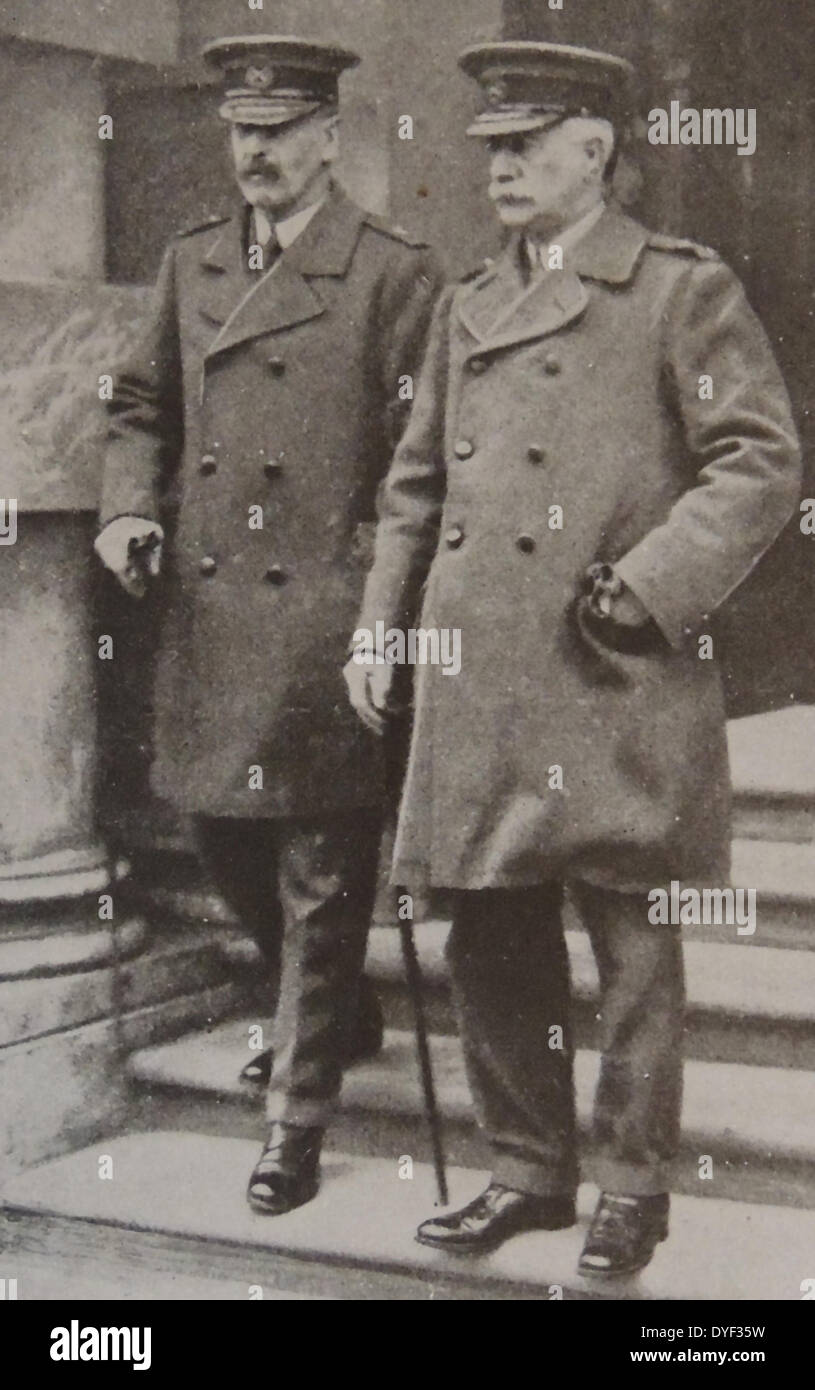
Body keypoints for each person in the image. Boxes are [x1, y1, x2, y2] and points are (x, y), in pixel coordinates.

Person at [346, 41, 801, 1277]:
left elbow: (757, 462)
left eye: (523, 144)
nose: (495, 165)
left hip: (611, 670)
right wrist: (382, 622)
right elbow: (414, 484)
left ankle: (632, 1187)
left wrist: (650, 587)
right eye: (489, 145)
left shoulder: (674, 290)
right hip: (480, 675)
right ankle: (527, 1172)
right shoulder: (467, 302)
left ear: (592, 150)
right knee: (489, 933)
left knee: (634, 946)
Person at [95, 34, 442, 1216]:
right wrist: (128, 510)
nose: (253, 153)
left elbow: (422, 456)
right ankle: (337, 1011)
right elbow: (139, 404)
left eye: (277, 133)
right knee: (216, 827)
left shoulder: (393, 274)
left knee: (316, 867)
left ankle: (293, 1118)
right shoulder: (189, 264)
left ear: (326, 139)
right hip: (207, 599)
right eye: (239, 133)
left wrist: (380, 607)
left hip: (324, 614)